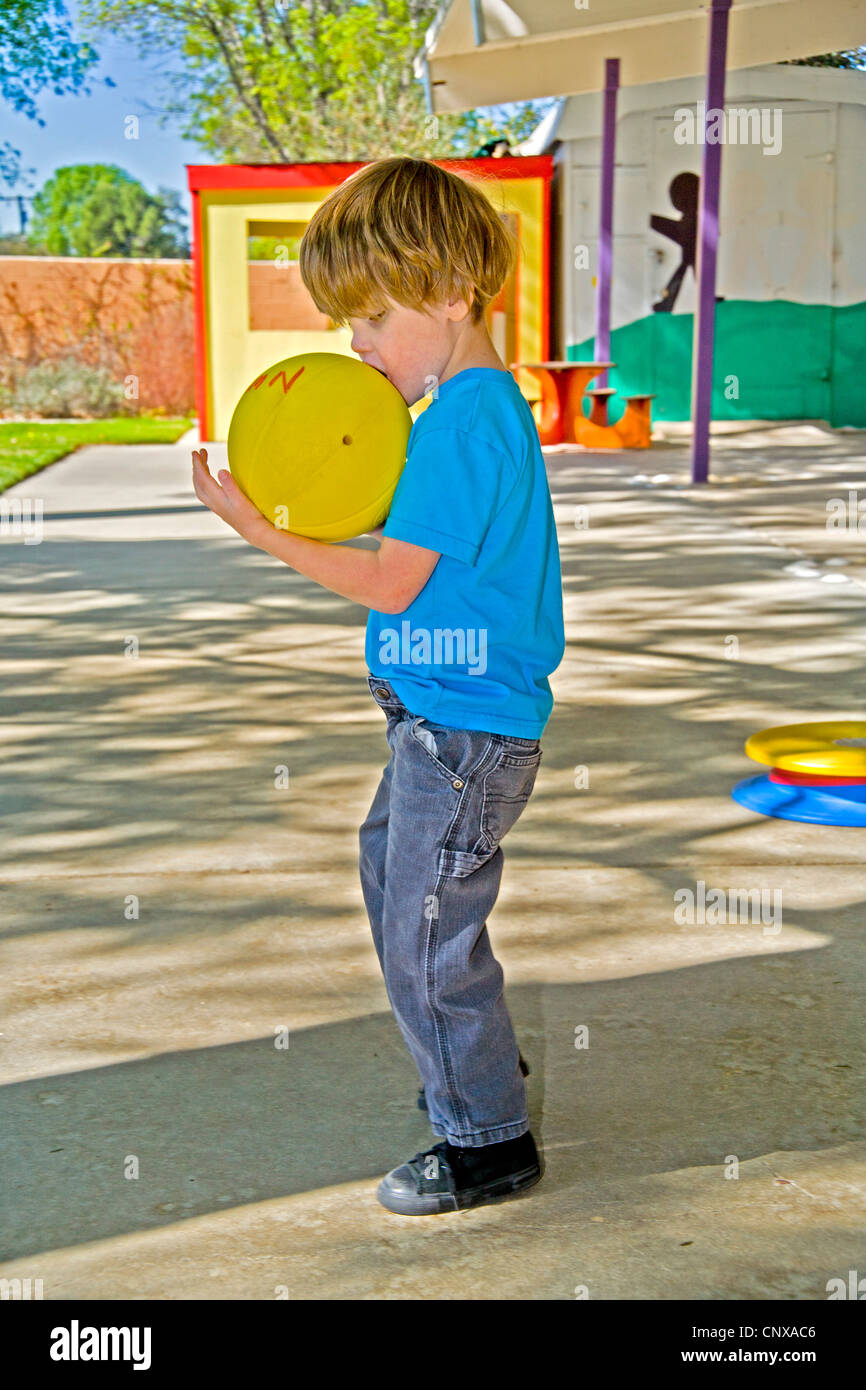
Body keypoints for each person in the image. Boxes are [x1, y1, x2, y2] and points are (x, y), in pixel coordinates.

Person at [192, 156, 565, 1215]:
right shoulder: (474, 407)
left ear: (450, 294)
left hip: (459, 733)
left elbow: (392, 577)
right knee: (398, 888)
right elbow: (423, 548)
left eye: (369, 316)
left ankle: (484, 1138)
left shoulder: (458, 423)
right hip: (442, 725)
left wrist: (264, 533)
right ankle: (473, 1059)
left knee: (421, 929)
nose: (354, 344)